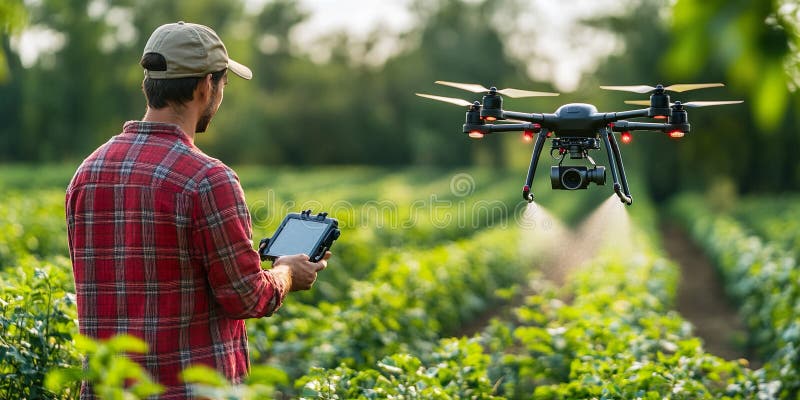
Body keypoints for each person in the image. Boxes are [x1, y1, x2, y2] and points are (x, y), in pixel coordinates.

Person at [65, 21, 330, 399]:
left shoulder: (87, 173)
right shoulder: (208, 179)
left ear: (149, 84)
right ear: (206, 87)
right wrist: (287, 272)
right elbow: (247, 296)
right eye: (223, 84)